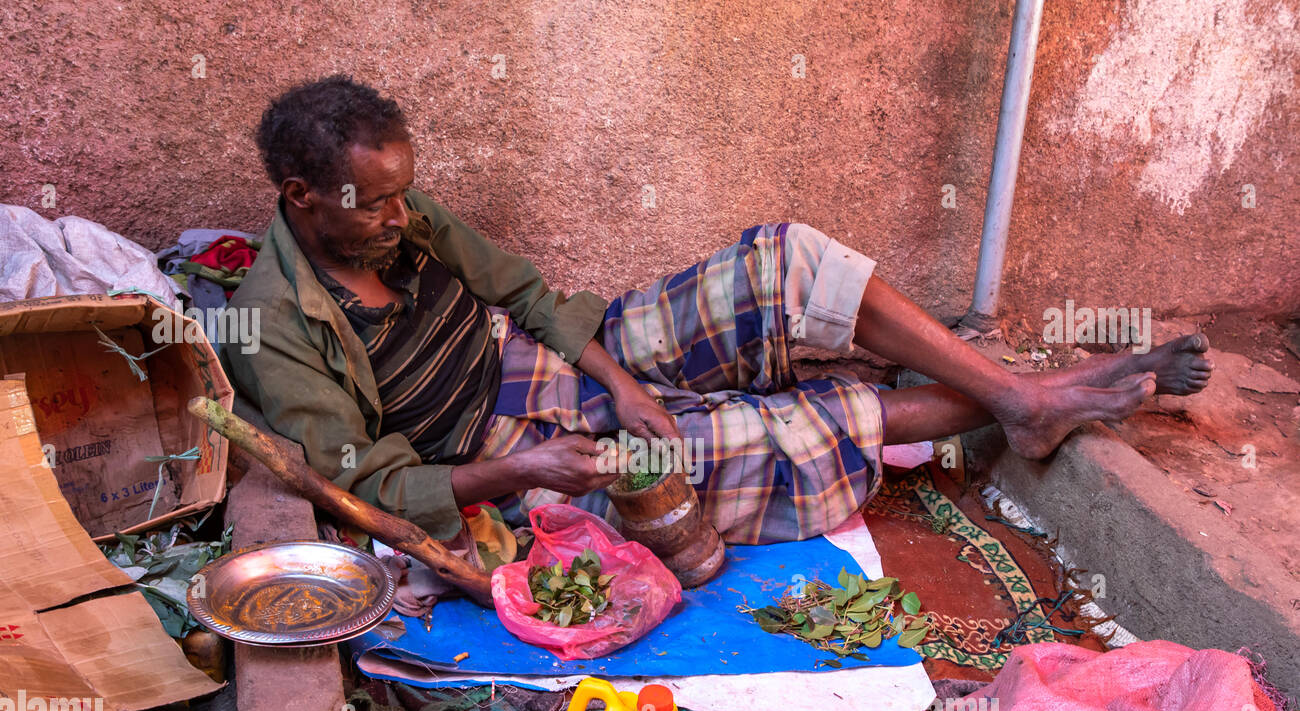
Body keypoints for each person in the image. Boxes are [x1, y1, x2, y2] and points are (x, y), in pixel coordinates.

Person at [227, 76, 1212, 546]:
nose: (403, 216)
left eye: (408, 192)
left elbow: (521, 293)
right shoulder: (279, 322)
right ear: (301, 197)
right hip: (497, 455)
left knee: (781, 263)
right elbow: (366, 481)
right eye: (376, 202)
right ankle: (1042, 395)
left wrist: (618, 378)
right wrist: (527, 464)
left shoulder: (396, 216)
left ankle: (1021, 397)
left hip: (564, 356)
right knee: (782, 428)